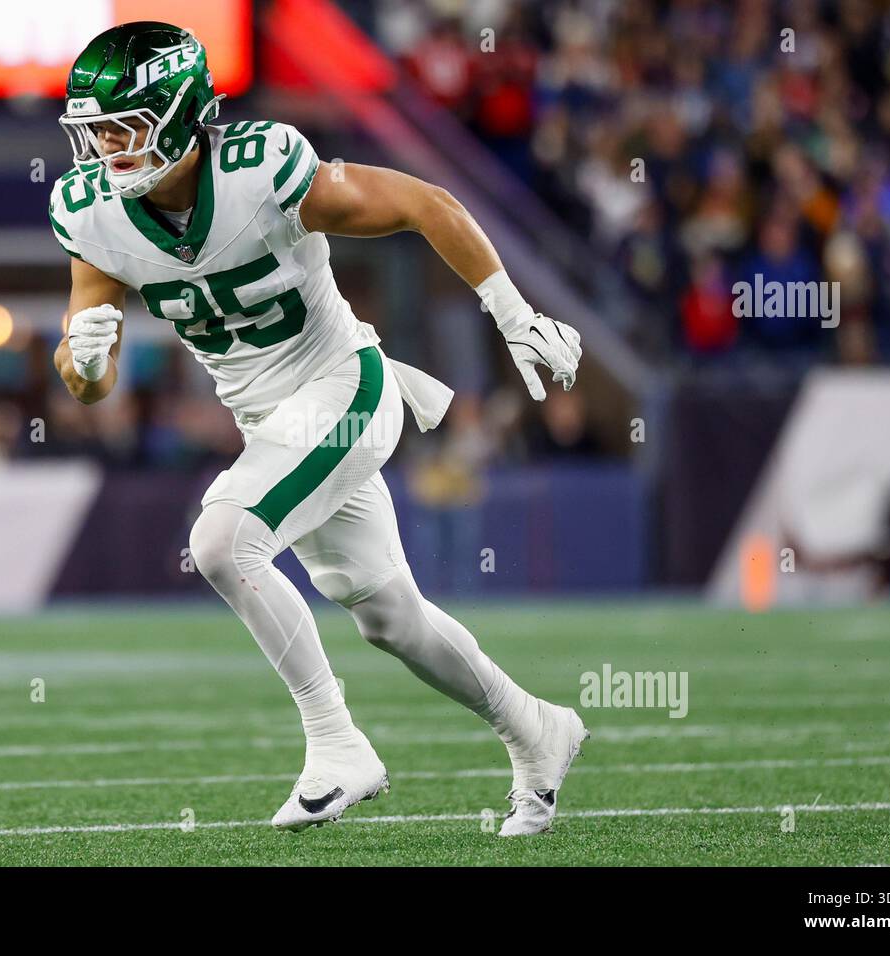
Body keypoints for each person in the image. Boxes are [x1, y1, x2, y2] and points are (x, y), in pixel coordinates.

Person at [50, 22, 586, 836]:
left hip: (345, 387)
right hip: (273, 425)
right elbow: (90, 386)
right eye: (96, 130)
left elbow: (422, 204)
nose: (109, 148)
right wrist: (84, 362)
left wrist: (513, 313)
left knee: (224, 542)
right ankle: (537, 731)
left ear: (184, 113)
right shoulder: (92, 217)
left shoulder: (260, 169)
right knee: (391, 619)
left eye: (127, 126)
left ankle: (337, 744)